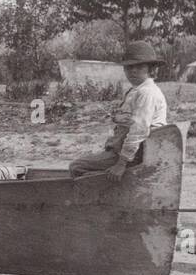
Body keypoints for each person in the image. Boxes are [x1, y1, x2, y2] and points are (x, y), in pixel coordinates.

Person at [69, 40, 168, 181]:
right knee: (87, 167)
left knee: (77, 167)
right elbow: (129, 120)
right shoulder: (137, 90)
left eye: (139, 67)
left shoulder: (147, 93)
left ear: (150, 69)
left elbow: (138, 131)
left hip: (137, 154)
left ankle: (100, 199)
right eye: (129, 67)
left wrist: (121, 164)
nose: (133, 71)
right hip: (125, 149)